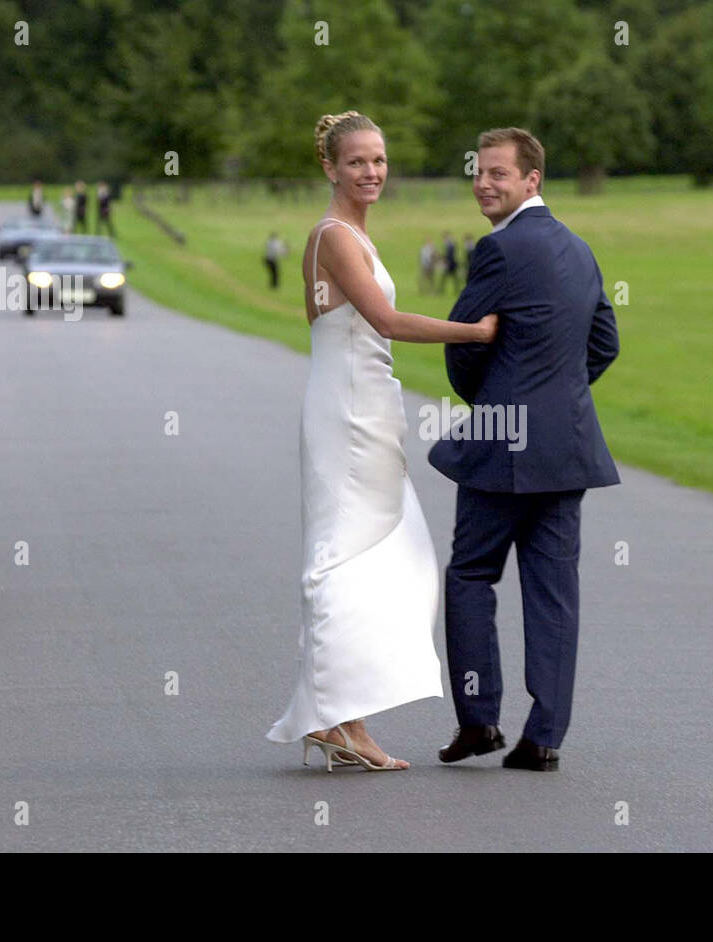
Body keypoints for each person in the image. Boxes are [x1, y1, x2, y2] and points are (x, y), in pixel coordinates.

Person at [266, 111, 498, 771]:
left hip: (366, 407)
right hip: (344, 412)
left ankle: (344, 716)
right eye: (358, 162)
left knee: (399, 563)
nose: (372, 172)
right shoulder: (333, 235)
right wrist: (477, 333)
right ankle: (336, 721)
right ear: (330, 168)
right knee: (341, 557)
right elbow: (386, 320)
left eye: (379, 160)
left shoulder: (353, 235)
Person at [429, 127, 620, 772]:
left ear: (532, 181)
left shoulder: (499, 250)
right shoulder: (582, 249)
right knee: (553, 590)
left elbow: (463, 341)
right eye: (478, 172)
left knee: (469, 576)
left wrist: (493, 401)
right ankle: (544, 738)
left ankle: (480, 721)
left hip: (501, 446)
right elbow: (604, 345)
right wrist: (556, 397)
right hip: (566, 448)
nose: (484, 183)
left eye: (498, 174)